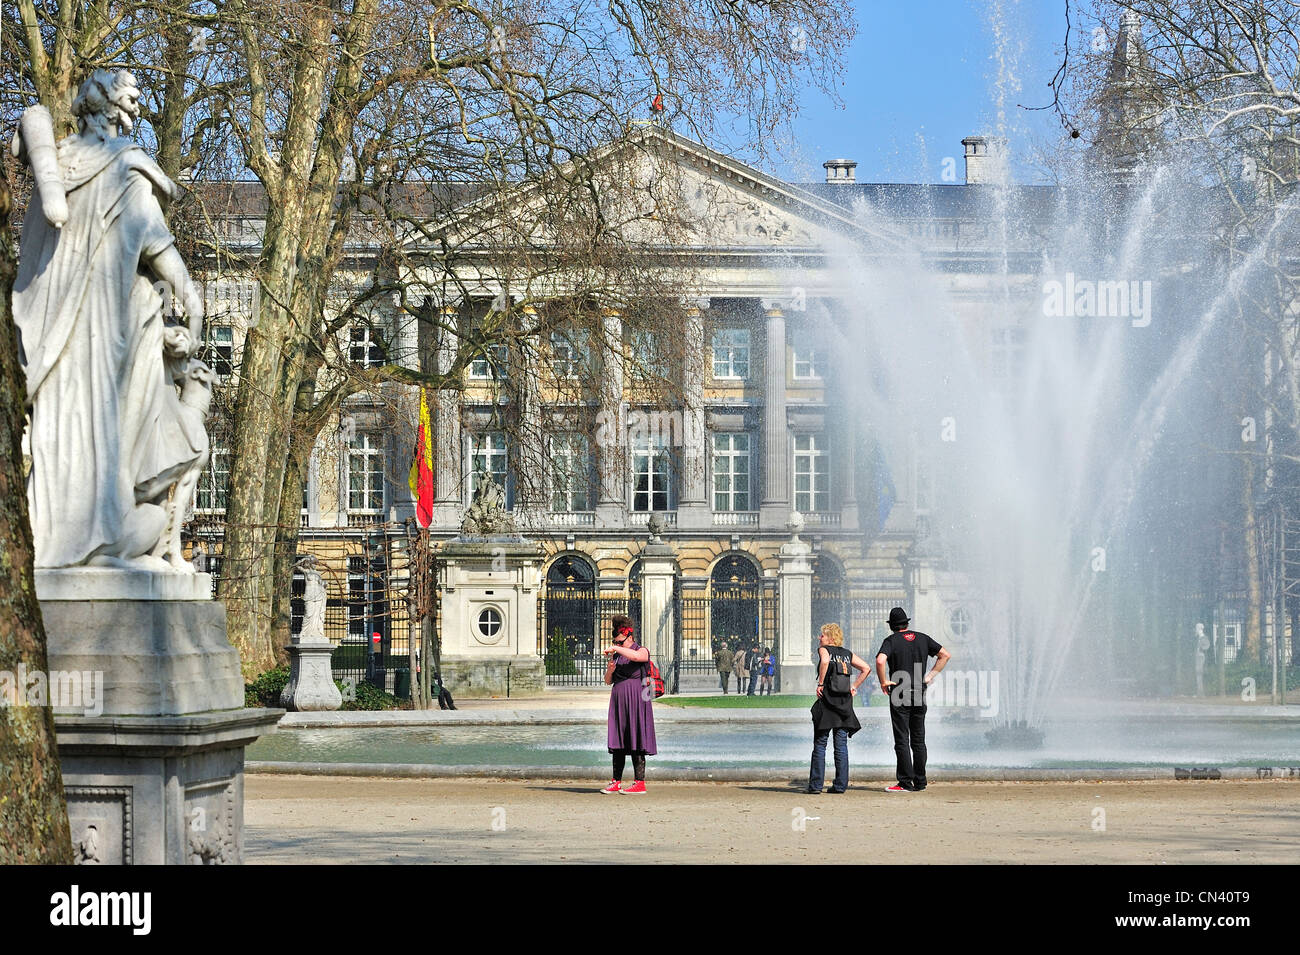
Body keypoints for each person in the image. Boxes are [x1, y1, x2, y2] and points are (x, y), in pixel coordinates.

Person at [12, 69, 205, 569]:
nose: (137, 109)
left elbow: (34, 262)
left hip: (54, 335)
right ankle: (95, 543)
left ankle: (57, 544)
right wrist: (194, 311)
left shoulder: (56, 168)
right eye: (132, 100)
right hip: (105, 337)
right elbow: (168, 264)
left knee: (60, 436)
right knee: (103, 438)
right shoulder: (126, 173)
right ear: (113, 108)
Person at [876, 607, 951, 793]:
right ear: (907, 623)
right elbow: (945, 655)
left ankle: (905, 782)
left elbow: (879, 661)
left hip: (899, 692)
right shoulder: (922, 638)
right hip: (919, 691)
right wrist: (930, 675)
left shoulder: (891, 641)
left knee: (902, 739)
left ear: (892, 626)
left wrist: (884, 681)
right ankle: (920, 781)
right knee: (918, 740)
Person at [806, 623, 870, 793]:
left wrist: (820, 683)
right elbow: (866, 668)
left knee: (820, 743)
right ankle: (840, 785)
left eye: (823, 635)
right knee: (841, 745)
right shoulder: (847, 654)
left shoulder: (824, 649)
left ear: (831, 638)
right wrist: (854, 686)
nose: (820, 638)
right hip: (844, 704)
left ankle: (815, 786)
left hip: (828, 701)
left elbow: (825, 661)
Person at [601, 615, 657, 794]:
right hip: (619, 700)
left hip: (637, 699)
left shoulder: (641, 650)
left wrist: (616, 648)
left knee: (636, 737)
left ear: (629, 635)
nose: (616, 643)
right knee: (618, 739)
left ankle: (639, 782)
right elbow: (608, 681)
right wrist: (610, 671)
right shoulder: (617, 655)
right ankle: (615, 780)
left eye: (618, 639)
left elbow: (636, 657)